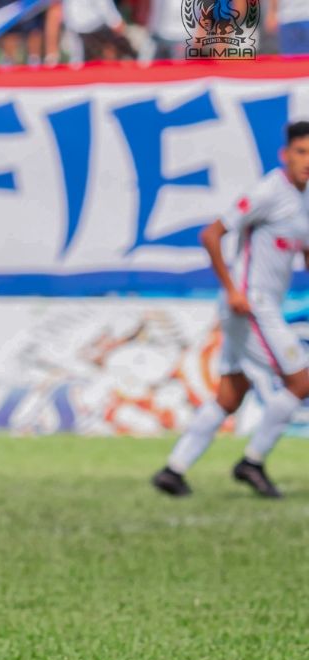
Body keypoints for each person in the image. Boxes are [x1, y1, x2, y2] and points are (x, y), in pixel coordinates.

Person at [151, 121, 309, 499]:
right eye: (301, 152)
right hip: (251, 303)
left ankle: (174, 470)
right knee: (301, 381)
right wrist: (232, 290)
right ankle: (252, 462)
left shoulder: (304, 199)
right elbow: (212, 234)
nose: (308, 161)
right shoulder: (269, 191)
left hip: (261, 304)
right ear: (285, 155)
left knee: (231, 393)